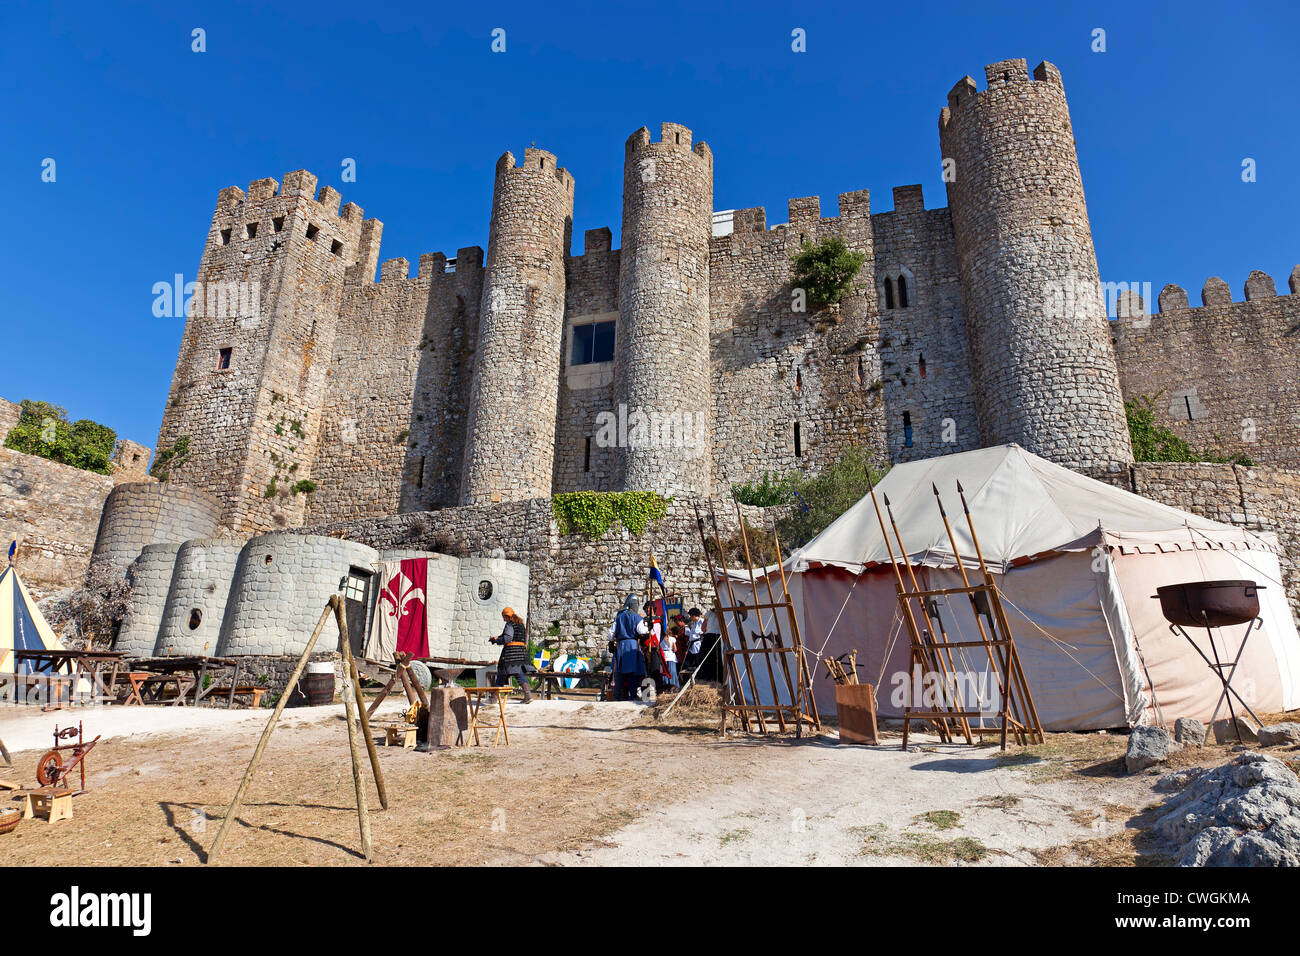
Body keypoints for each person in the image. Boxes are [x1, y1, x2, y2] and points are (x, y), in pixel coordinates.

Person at [606, 594, 646, 701]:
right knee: (632, 671)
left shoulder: (619, 617)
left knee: (619, 671)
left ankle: (617, 695)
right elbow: (642, 631)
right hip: (632, 645)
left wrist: (611, 642)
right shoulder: (637, 618)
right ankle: (632, 695)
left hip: (621, 646)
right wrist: (648, 628)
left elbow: (610, 633)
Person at [489, 606, 532, 703]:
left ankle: (493, 699)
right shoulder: (521, 625)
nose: (504, 619)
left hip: (511, 654)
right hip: (521, 653)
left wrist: (497, 640)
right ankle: (528, 695)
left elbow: (508, 638)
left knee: (501, 673)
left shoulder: (509, 624)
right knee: (519, 673)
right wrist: (498, 637)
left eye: (504, 617)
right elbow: (519, 638)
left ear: (508, 616)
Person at [684, 607, 705, 671]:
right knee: (689, 660)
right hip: (692, 643)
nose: (690, 618)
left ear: (694, 615)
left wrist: (700, 634)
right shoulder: (694, 623)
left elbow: (703, 631)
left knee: (697, 658)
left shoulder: (702, 621)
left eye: (691, 616)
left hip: (698, 643)